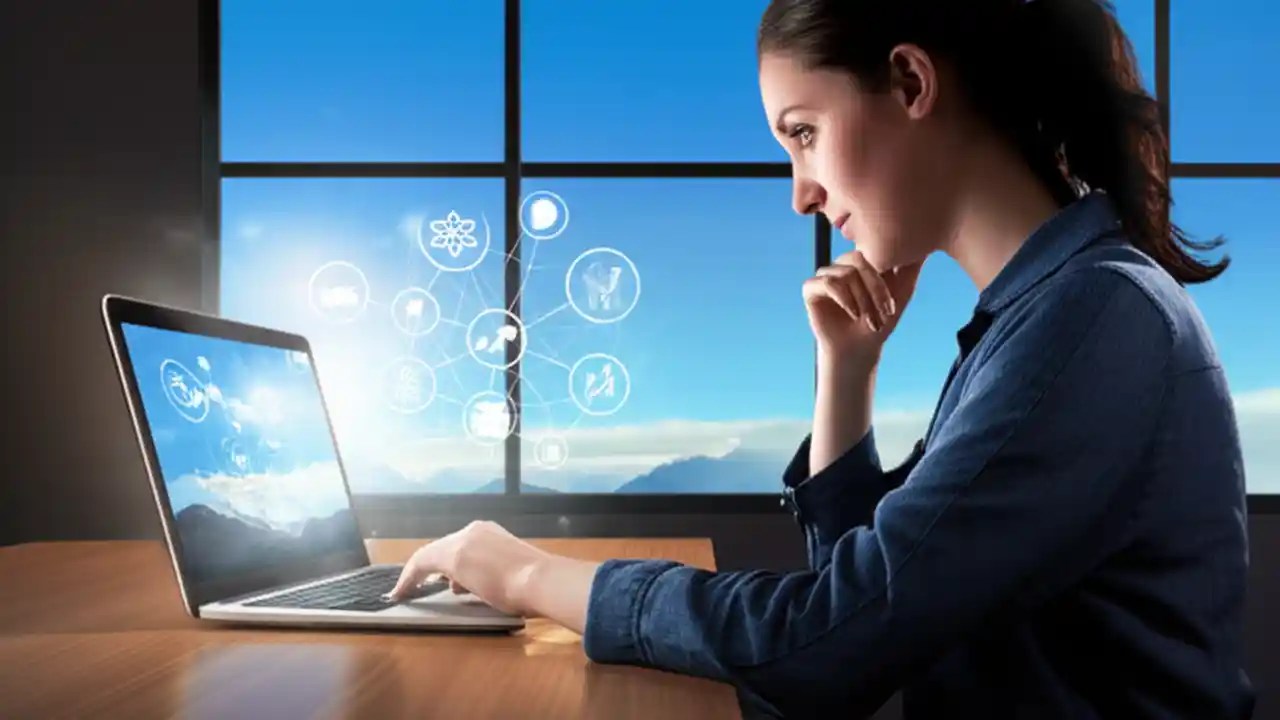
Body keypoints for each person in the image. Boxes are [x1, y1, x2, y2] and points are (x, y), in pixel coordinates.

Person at [388, 0, 1255, 716]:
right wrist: (848, 374)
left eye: (802, 133)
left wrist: (528, 573)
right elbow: (883, 595)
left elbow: (829, 641)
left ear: (911, 82)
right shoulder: (1050, 310)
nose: (801, 189)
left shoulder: (1093, 320)